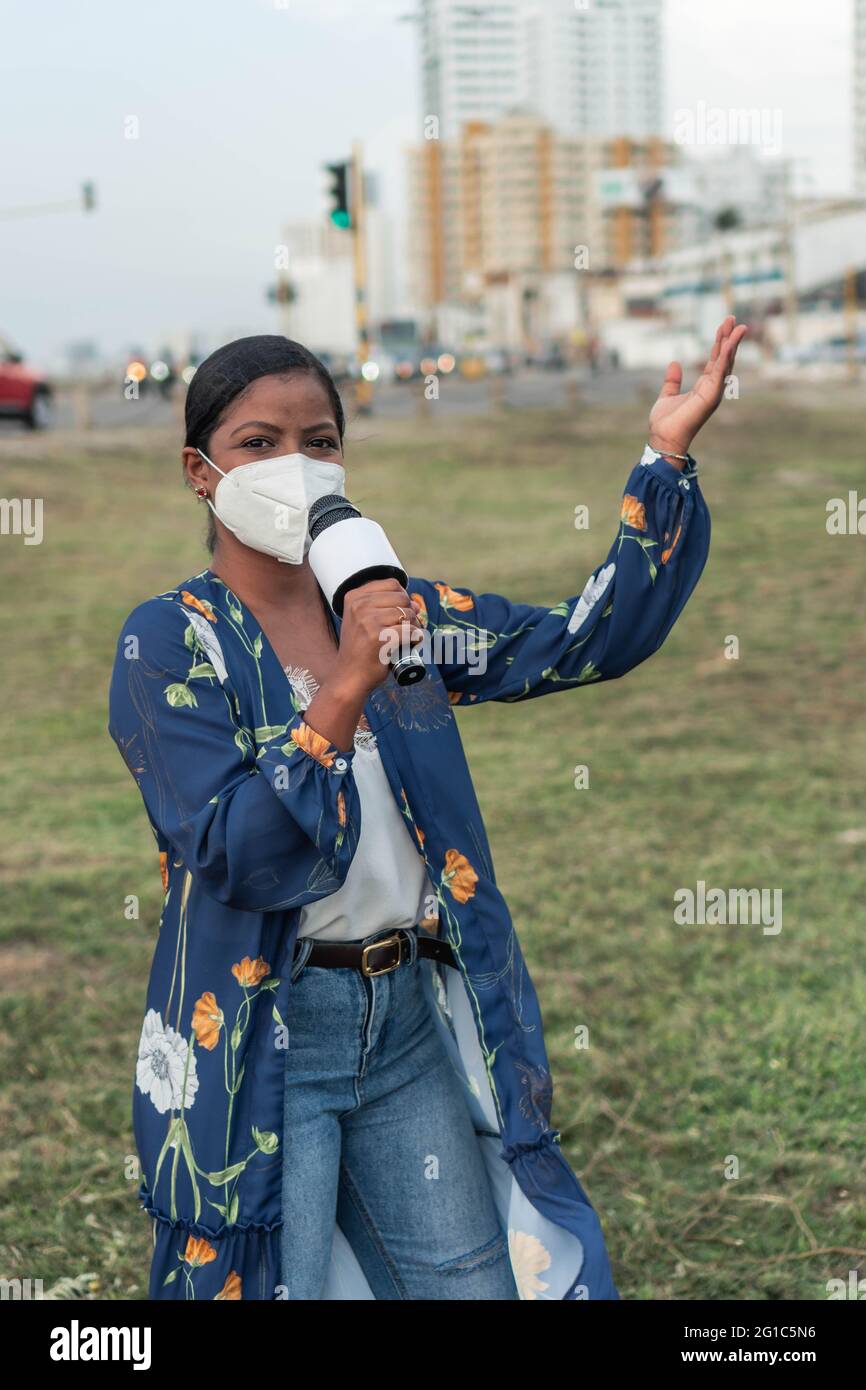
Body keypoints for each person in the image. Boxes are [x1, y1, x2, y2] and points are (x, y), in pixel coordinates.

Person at [108, 319, 747, 1301]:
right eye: (257, 443)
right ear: (201, 472)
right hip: (270, 1039)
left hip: (402, 1022)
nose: (297, 466)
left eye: (320, 441)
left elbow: (586, 640)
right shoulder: (171, 643)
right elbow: (233, 849)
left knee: (469, 1282)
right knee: (283, 1280)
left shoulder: (401, 617)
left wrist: (662, 459)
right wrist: (344, 687)